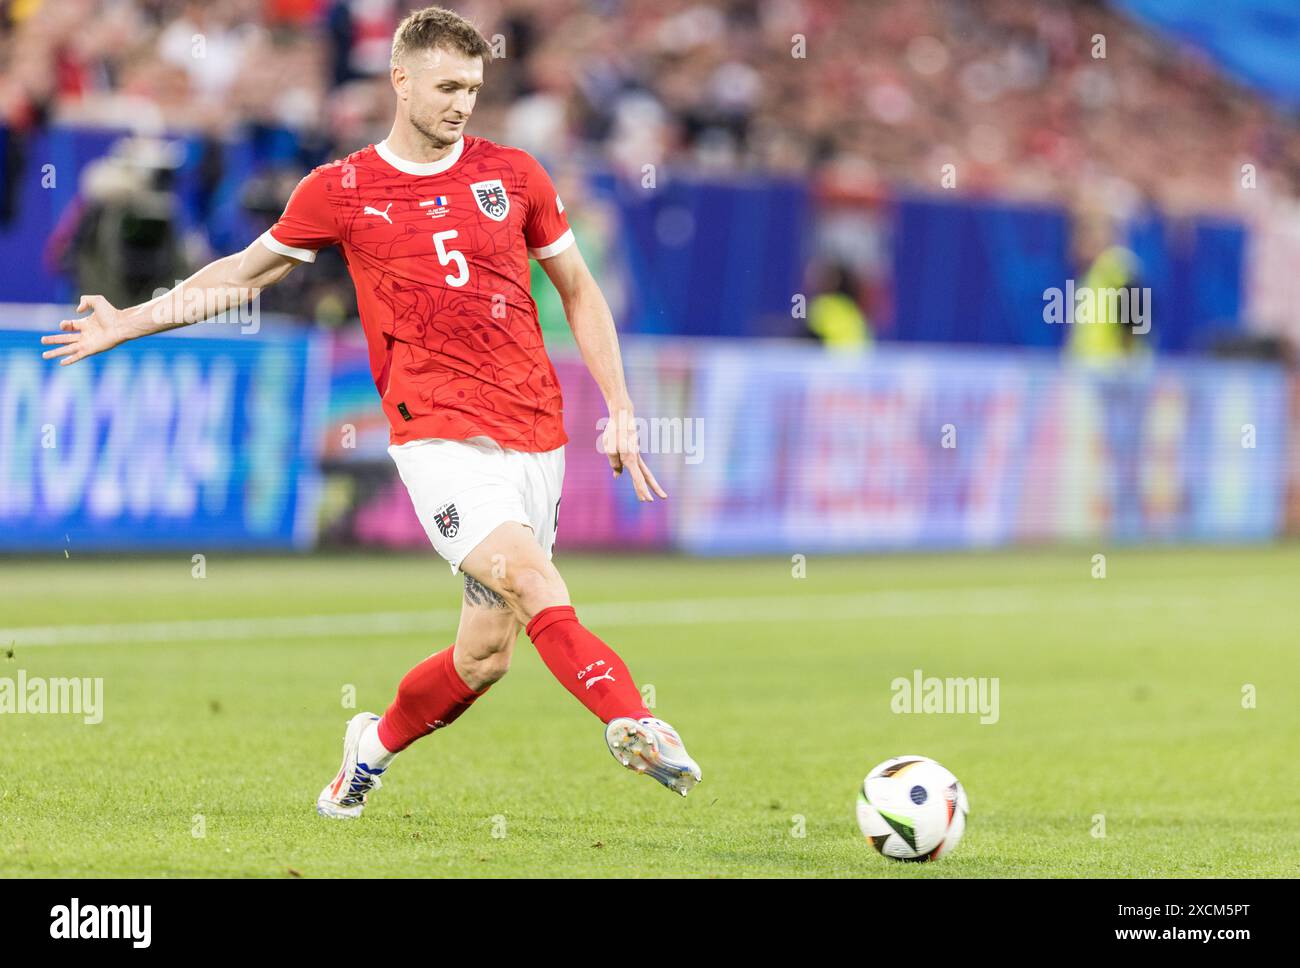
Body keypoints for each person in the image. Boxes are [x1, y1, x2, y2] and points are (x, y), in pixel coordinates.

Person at [39, 5, 701, 819]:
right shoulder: (342, 190)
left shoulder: (516, 176)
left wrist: (623, 406)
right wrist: (131, 321)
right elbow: (244, 274)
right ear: (401, 79)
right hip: (436, 439)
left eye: (474, 87)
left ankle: (370, 749)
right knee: (534, 580)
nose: (461, 102)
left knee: (485, 657)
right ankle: (631, 720)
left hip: (535, 434)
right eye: (447, 85)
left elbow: (578, 288)